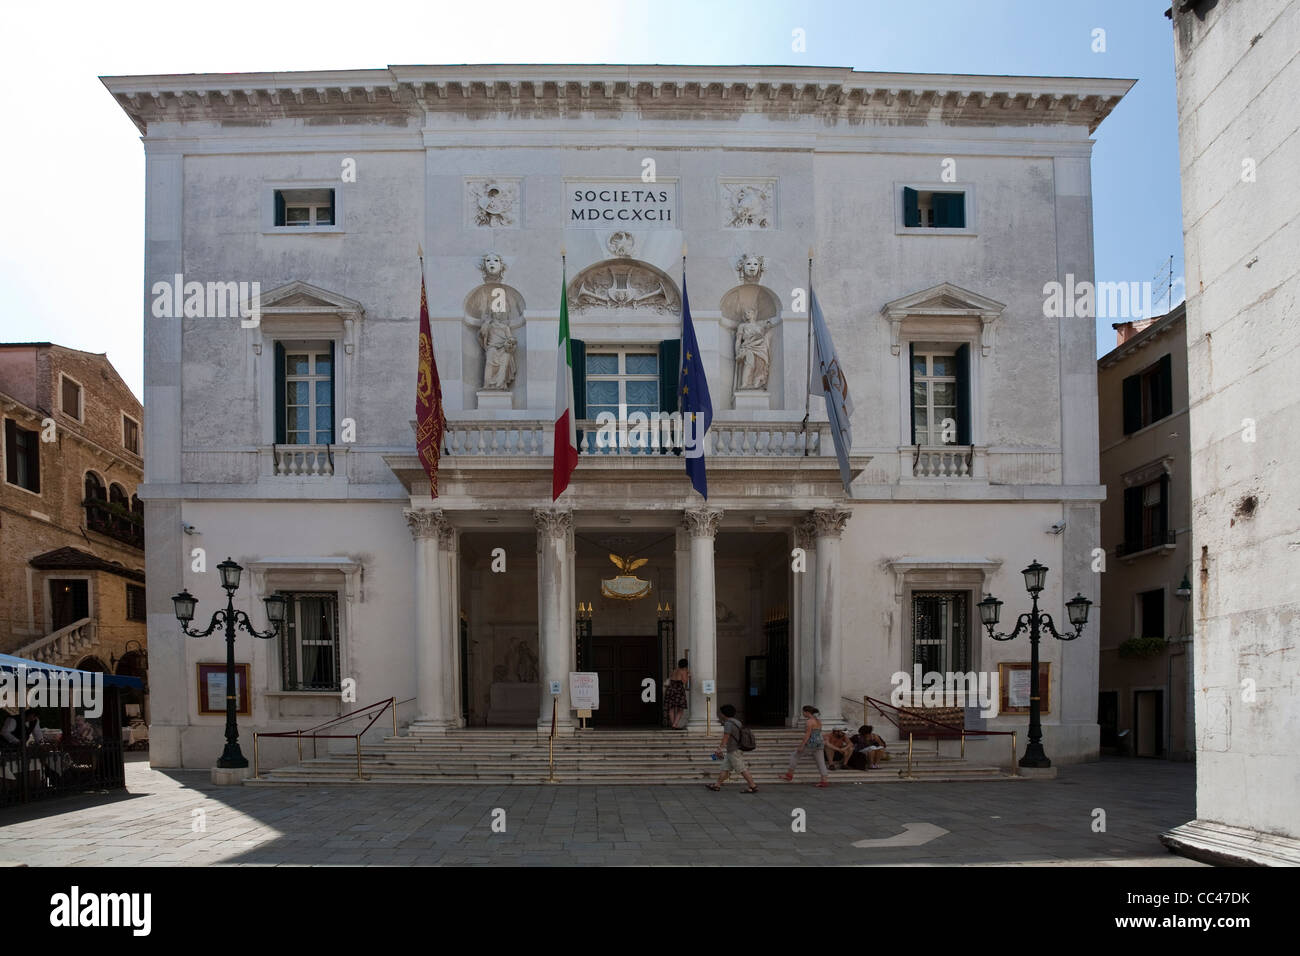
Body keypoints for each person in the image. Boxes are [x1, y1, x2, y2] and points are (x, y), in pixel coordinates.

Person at [706, 704, 757, 793]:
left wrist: (719, 748)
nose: (720, 715)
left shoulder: (728, 723)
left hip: (734, 750)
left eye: (721, 713)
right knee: (725, 768)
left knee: (741, 768)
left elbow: (726, 736)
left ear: (724, 714)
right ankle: (717, 785)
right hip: (734, 749)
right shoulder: (737, 722)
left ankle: (753, 786)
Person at [781, 705, 829, 787]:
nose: (802, 713)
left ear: (807, 712)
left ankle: (789, 775)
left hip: (811, 743)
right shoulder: (818, 721)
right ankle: (824, 781)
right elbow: (819, 732)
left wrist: (801, 745)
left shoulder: (809, 721)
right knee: (821, 762)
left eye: (803, 712)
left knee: (794, 755)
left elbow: (807, 735)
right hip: (819, 743)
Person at [664, 658, 690, 729]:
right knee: (681, 709)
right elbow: (684, 682)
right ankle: (675, 724)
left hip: (670, 689)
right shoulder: (683, 671)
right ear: (686, 665)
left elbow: (671, 679)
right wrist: (688, 675)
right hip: (678, 690)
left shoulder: (674, 670)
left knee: (671, 708)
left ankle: (673, 724)